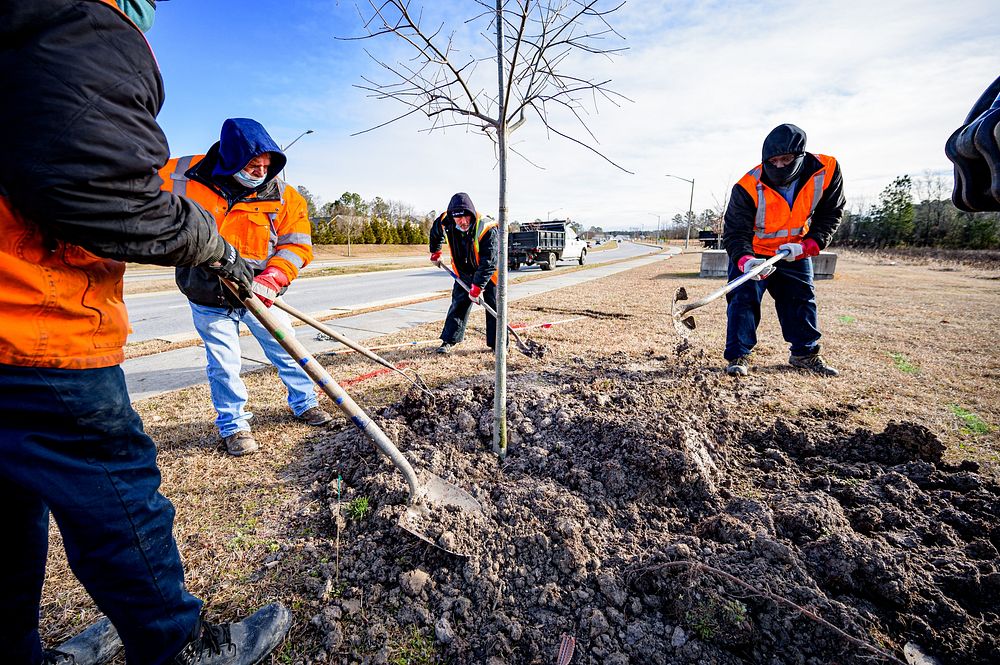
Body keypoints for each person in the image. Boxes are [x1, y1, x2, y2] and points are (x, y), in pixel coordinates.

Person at [0, 2, 291, 664]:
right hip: (34, 325)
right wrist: (207, 244)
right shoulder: (78, 22)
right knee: (118, 500)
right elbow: (105, 190)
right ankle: (178, 646)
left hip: (15, 321)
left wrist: (257, 270)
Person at [161, 118, 333, 457]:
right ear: (232, 159)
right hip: (207, 294)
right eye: (254, 165)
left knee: (288, 349)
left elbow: (297, 245)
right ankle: (234, 426)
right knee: (224, 363)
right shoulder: (181, 177)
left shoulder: (285, 196)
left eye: (267, 166)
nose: (260, 172)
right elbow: (132, 187)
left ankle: (305, 402)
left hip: (258, 294)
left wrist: (274, 278)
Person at [721, 123, 845, 377]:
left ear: (800, 156)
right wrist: (746, 261)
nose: (778, 166)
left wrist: (810, 244)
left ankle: (805, 354)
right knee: (742, 301)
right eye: (773, 161)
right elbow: (734, 231)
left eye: (786, 159)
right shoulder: (747, 186)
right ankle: (738, 356)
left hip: (794, 250)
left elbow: (831, 213)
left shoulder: (826, 171)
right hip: (753, 252)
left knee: (801, 299)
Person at [429, 193, 500, 354]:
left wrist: (477, 287)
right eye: (459, 218)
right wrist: (435, 252)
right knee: (458, 304)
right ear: (453, 216)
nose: (463, 221)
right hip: (463, 271)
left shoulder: (486, 227)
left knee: (494, 305)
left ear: (471, 213)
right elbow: (435, 233)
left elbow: (489, 261)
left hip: (488, 272)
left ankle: (498, 344)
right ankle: (449, 340)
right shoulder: (445, 220)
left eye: (466, 216)